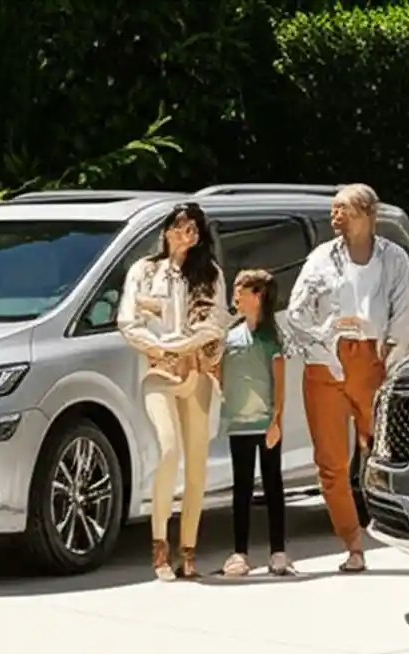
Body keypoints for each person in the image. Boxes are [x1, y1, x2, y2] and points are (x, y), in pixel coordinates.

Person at [286, 183, 409, 573]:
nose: (335, 215)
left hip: (371, 359)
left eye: (342, 209)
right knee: (330, 461)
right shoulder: (321, 257)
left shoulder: (393, 259)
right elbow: (296, 311)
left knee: (385, 450)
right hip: (326, 360)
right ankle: (353, 543)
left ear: (366, 214)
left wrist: (391, 357)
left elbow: (404, 312)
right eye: (334, 209)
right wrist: (327, 331)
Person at [118, 202, 229, 581]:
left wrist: (187, 347)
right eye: (182, 225)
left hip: (197, 372)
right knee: (168, 450)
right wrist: (165, 348)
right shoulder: (145, 272)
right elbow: (129, 322)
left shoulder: (209, 274)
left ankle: (190, 550)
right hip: (159, 371)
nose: (189, 232)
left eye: (195, 226)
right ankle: (159, 545)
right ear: (167, 230)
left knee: (197, 465)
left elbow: (216, 325)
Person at [216, 269, 294, 577]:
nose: (235, 296)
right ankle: (240, 552)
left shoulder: (271, 338)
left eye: (241, 290)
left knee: (273, 485)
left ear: (258, 295)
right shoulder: (230, 337)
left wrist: (277, 420)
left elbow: (279, 382)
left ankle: (278, 551)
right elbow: (221, 374)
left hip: (265, 423)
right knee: (242, 488)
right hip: (239, 423)